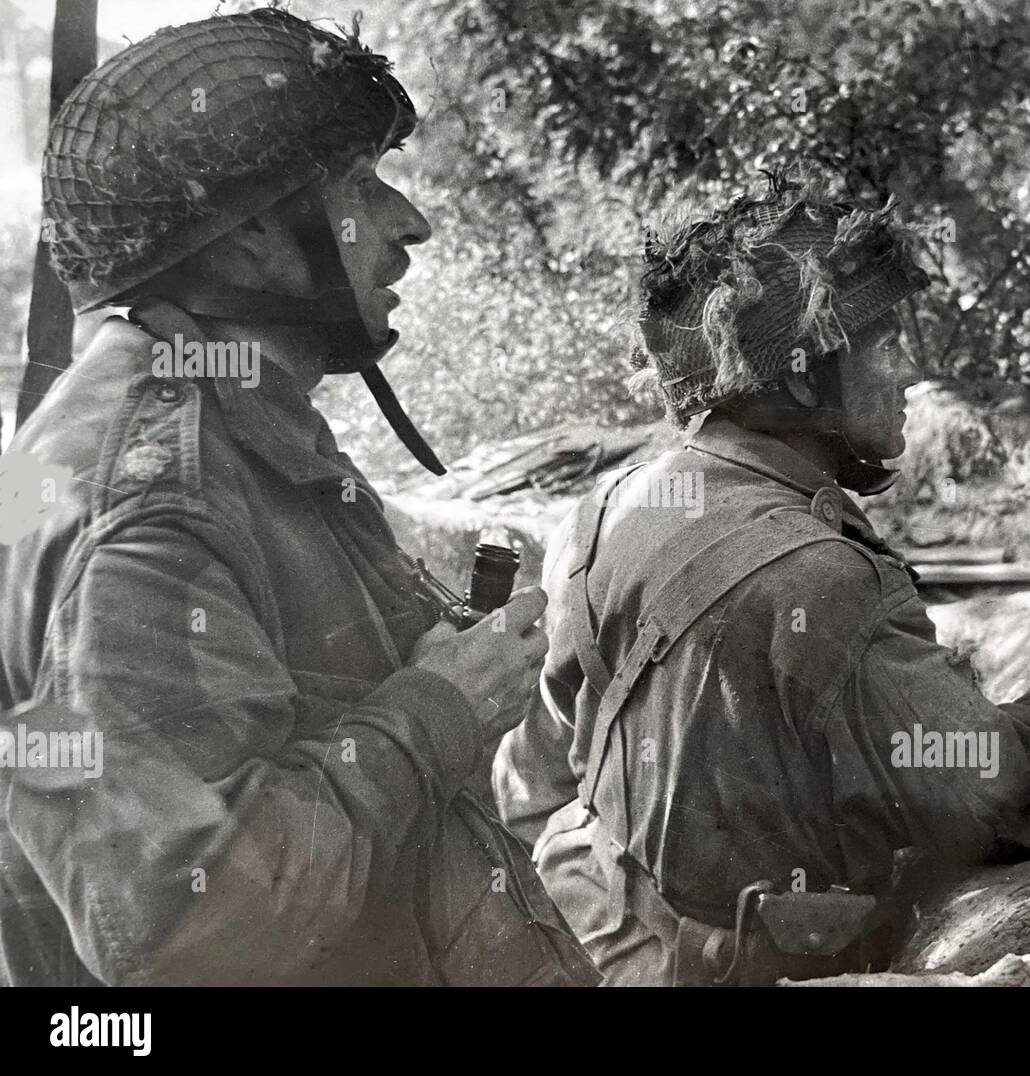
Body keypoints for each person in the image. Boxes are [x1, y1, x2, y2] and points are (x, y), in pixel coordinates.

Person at [0, 8, 597, 987]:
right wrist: (439, 707)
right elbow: (188, 925)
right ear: (248, 235)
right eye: (361, 186)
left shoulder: (219, 410)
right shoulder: (160, 492)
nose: (413, 221)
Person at [494, 169, 1030, 986]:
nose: (908, 372)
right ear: (804, 377)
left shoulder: (604, 511)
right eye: (883, 344)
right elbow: (998, 793)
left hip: (617, 949)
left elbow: (534, 777)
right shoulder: (825, 580)